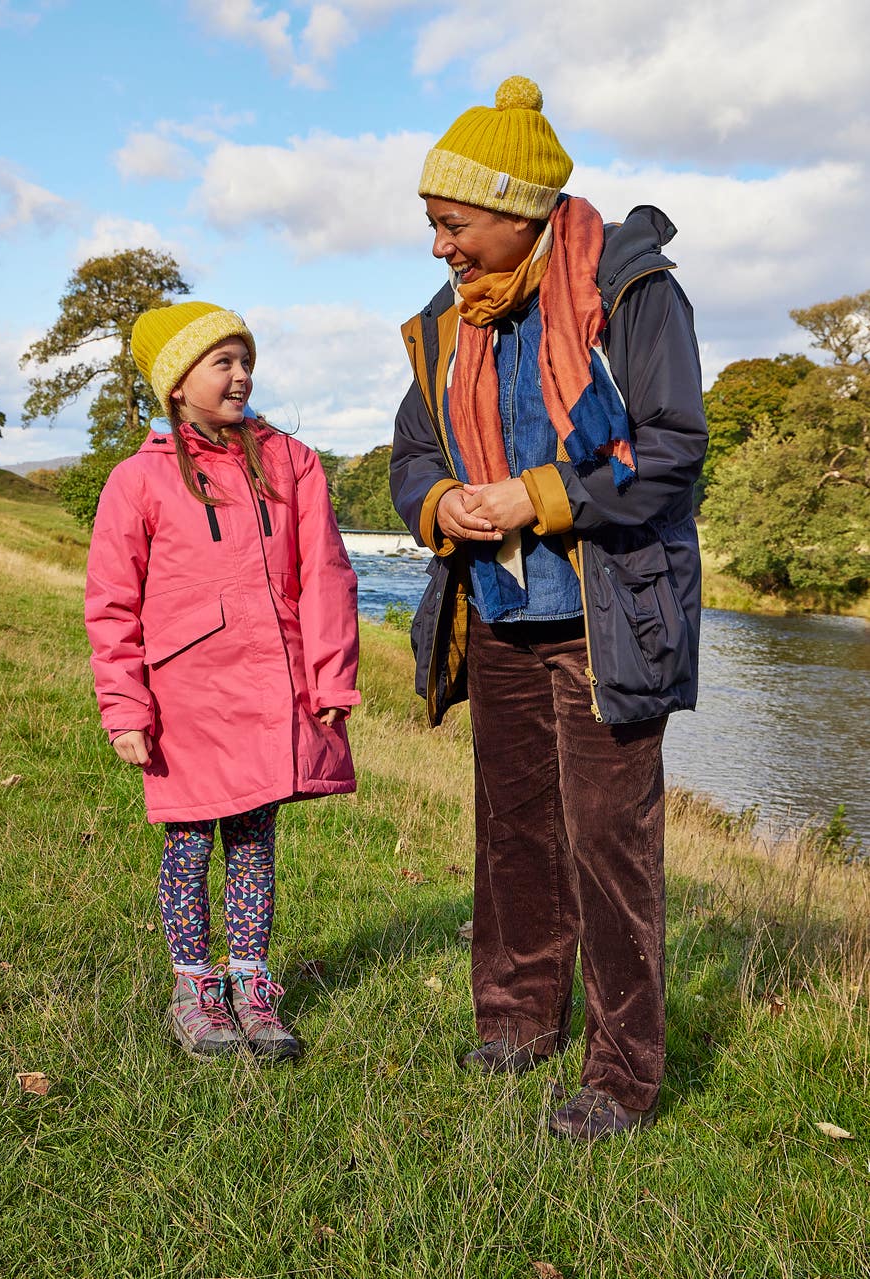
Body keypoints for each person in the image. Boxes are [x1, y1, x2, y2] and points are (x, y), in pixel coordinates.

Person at [390, 78, 707, 1140]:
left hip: (608, 611)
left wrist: (539, 494)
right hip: (498, 615)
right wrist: (439, 502)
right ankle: (519, 1020)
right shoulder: (443, 325)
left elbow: (670, 445)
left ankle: (620, 1074)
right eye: (432, 225)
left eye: (451, 223)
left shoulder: (629, 285)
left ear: (516, 208)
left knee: (608, 845)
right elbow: (413, 454)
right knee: (512, 831)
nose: (438, 246)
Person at [86, 301, 360, 1063]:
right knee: (187, 845)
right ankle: (192, 987)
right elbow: (111, 603)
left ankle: (251, 982)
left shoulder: (291, 463)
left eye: (246, 360)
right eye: (222, 362)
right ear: (176, 383)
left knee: (253, 842)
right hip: (186, 701)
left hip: (272, 691)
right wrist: (125, 707)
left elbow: (327, 575)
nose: (241, 375)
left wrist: (331, 677)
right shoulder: (136, 481)